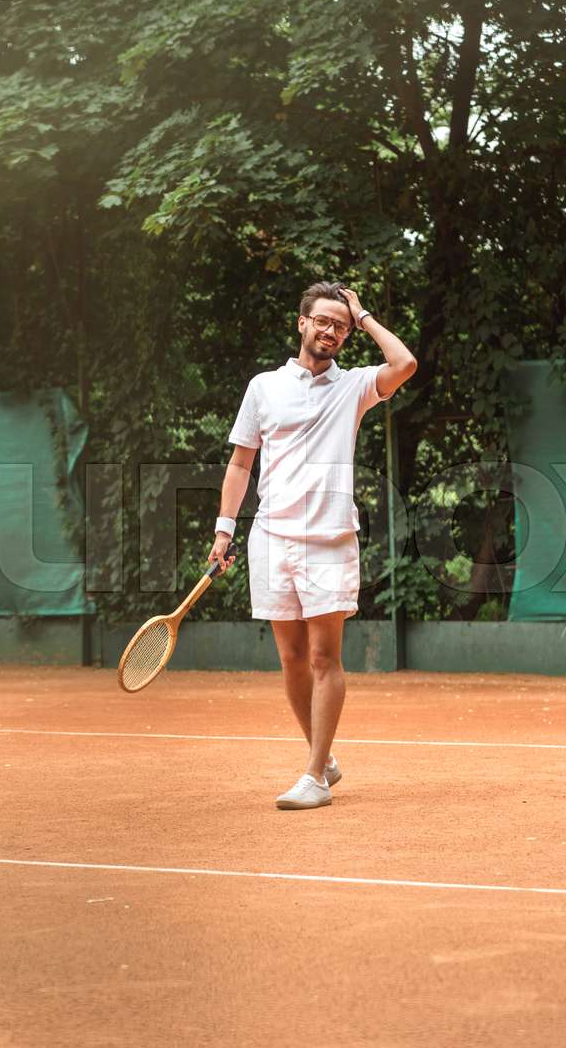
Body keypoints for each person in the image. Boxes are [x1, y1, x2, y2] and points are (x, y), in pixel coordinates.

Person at [210, 281, 417, 809]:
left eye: (340, 326)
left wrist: (363, 314)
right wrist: (224, 528)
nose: (331, 331)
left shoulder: (355, 387)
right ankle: (322, 758)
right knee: (292, 658)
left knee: (326, 657)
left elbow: (406, 362)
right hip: (272, 539)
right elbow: (240, 463)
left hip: (329, 539)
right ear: (301, 323)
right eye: (323, 321)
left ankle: (314, 778)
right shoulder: (263, 388)